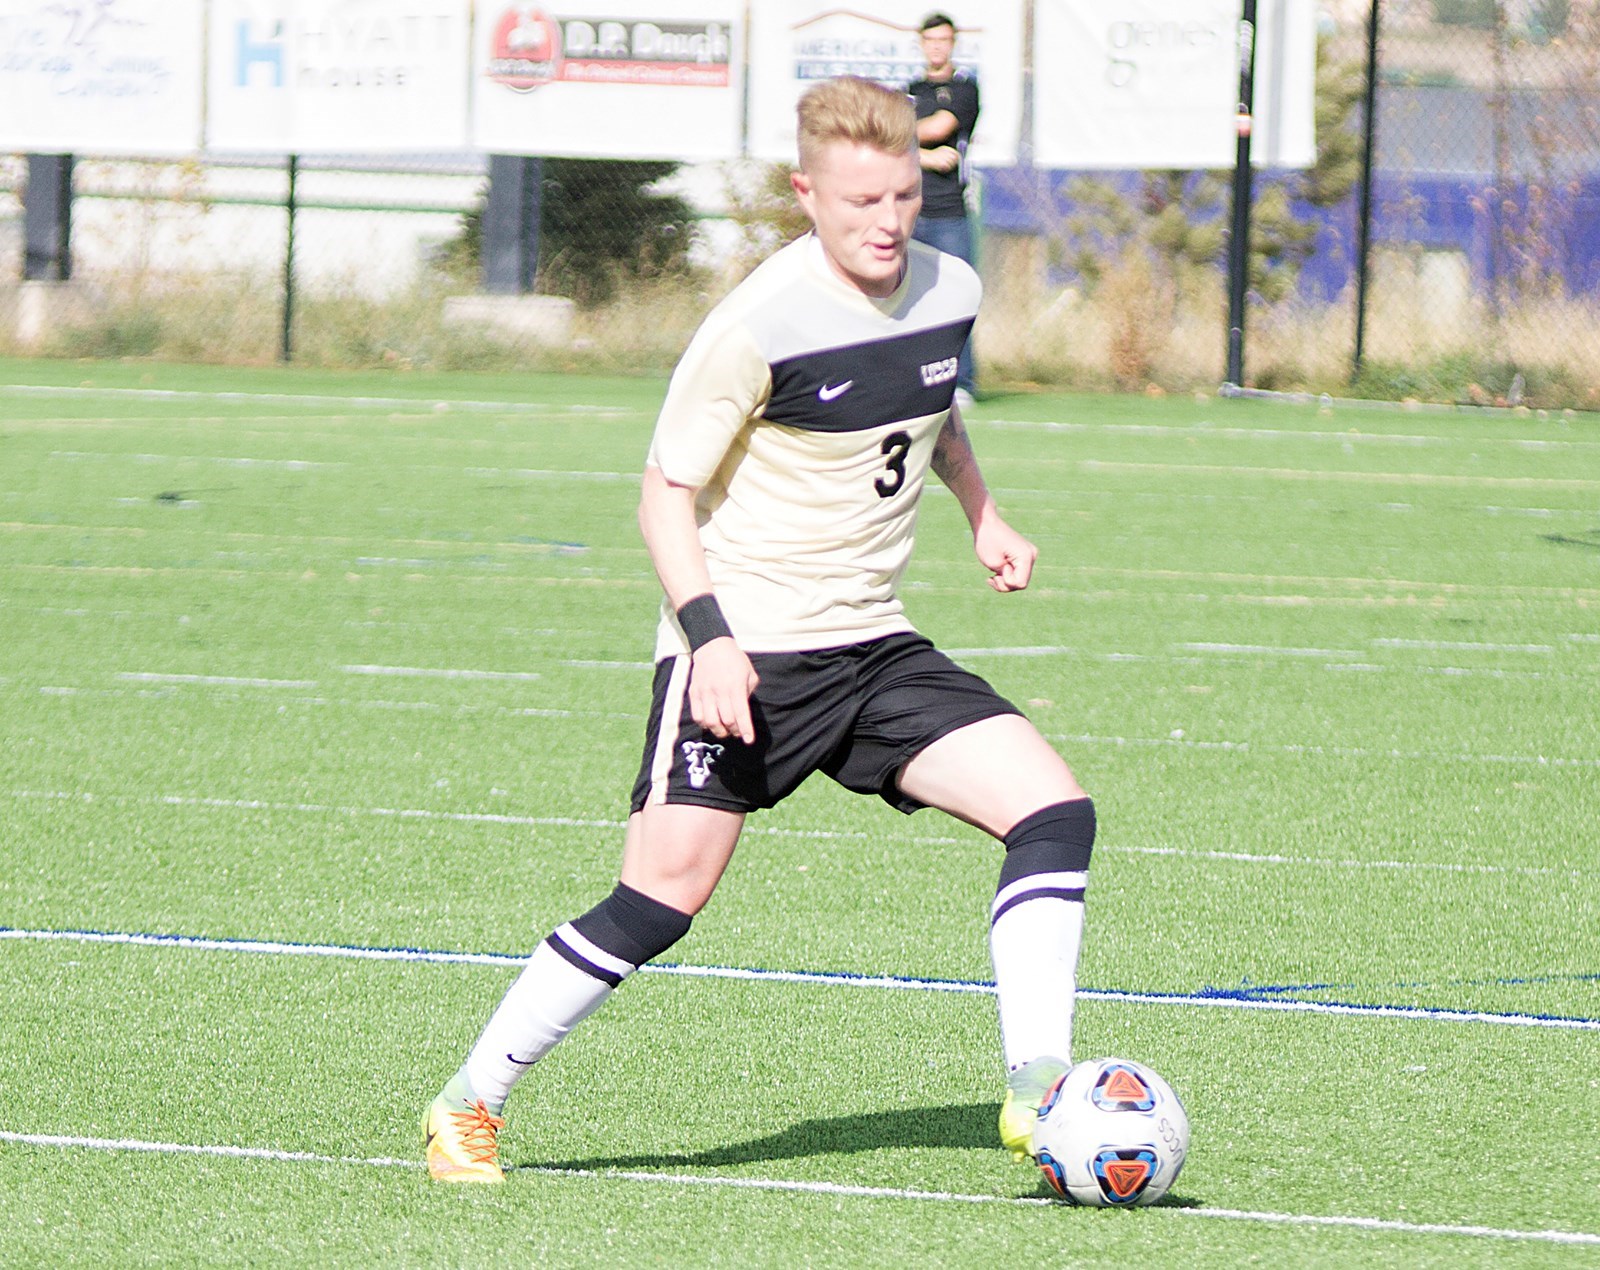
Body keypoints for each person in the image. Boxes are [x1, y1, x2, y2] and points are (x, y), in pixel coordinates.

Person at [423, 75, 1094, 1185]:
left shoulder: (949, 287)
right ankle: (468, 1101)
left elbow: (933, 407)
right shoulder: (756, 325)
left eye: (903, 197)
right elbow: (660, 494)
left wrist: (983, 512)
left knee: (1054, 813)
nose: (885, 221)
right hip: (745, 653)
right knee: (660, 898)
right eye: (860, 200)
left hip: (873, 645)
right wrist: (711, 640)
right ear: (806, 193)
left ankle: (1037, 1084)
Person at [908, 11, 981, 408]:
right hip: (912, 212)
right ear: (921, 43)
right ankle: (914, 378)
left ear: (952, 43)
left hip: (951, 211)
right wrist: (924, 157)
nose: (937, 46)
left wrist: (906, 133)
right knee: (908, 298)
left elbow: (939, 126)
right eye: (930, 40)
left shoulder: (965, 88)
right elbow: (892, 140)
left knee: (958, 296)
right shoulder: (909, 89)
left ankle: (963, 381)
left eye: (944, 40)